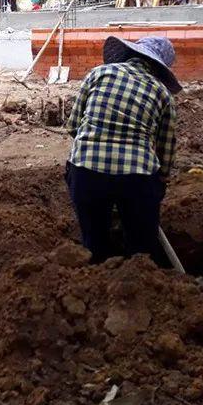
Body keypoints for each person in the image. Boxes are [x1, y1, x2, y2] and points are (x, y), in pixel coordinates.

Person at [65, 36, 179, 264]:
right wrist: (155, 189)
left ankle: (96, 265)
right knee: (141, 251)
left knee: (94, 242)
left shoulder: (98, 74)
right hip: (137, 178)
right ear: (160, 68)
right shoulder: (163, 93)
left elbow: (73, 127)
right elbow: (166, 155)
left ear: (131, 53)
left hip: (86, 171)